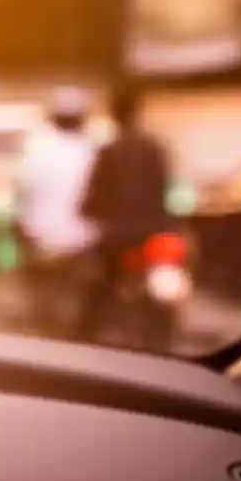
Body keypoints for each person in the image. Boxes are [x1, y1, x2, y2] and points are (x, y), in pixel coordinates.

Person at [76, 88, 174, 340]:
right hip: (158, 231)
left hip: (117, 237)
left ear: (113, 114)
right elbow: (166, 189)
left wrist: (88, 211)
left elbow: (92, 196)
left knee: (96, 290)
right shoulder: (156, 148)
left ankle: (85, 337)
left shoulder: (109, 151)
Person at [15, 88, 100, 327]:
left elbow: (24, 189)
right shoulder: (93, 149)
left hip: (41, 235)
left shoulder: (38, 148)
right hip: (83, 239)